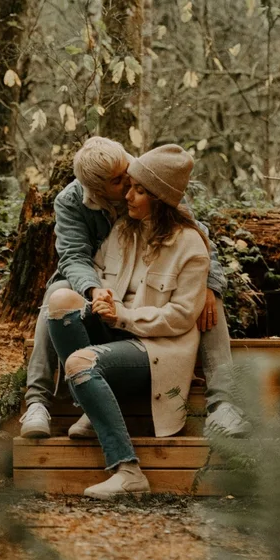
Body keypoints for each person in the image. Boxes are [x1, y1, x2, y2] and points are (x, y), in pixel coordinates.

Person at [18, 136, 249, 440]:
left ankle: (224, 404)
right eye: (119, 181)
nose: (129, 182)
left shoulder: (149, 174)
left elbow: (195, 232)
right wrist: (93, 290)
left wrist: (211, 284)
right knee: (56, 294)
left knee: (208, 302)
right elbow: (74, 257)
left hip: (152, 289)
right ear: (99, 191)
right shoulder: (71, 201)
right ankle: (38, 401)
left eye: (128, 169)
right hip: (101, 282)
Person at [44, 143, 212, 497]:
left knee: (80, 362)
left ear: (160, 198)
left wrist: (123, 315)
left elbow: (181, 318)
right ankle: (93, 408)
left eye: (138, 190)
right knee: (59, 302)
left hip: (157, 349)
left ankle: (128, 470)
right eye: (127, 186)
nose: (127, 196)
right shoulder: (123, 230)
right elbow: (97, 268)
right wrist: (103, 296)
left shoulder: (191, 246)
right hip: (118, 334)